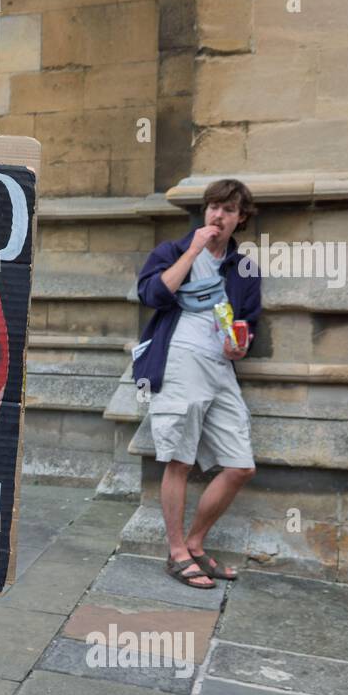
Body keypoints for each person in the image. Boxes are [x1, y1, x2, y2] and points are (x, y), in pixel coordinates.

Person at [133, 179, 262, 590]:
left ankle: (196, 542)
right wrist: (192, 251)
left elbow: (249, 324)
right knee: (179, 460)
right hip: (177, 362)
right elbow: (152, 294)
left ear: (241, 217)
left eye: (227, 210)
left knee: (240, 465)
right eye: (212, 207)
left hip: (221, 368)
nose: (217, 216)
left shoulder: (244, 267)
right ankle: (175, 553)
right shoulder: (173, 250)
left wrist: (242, 346)